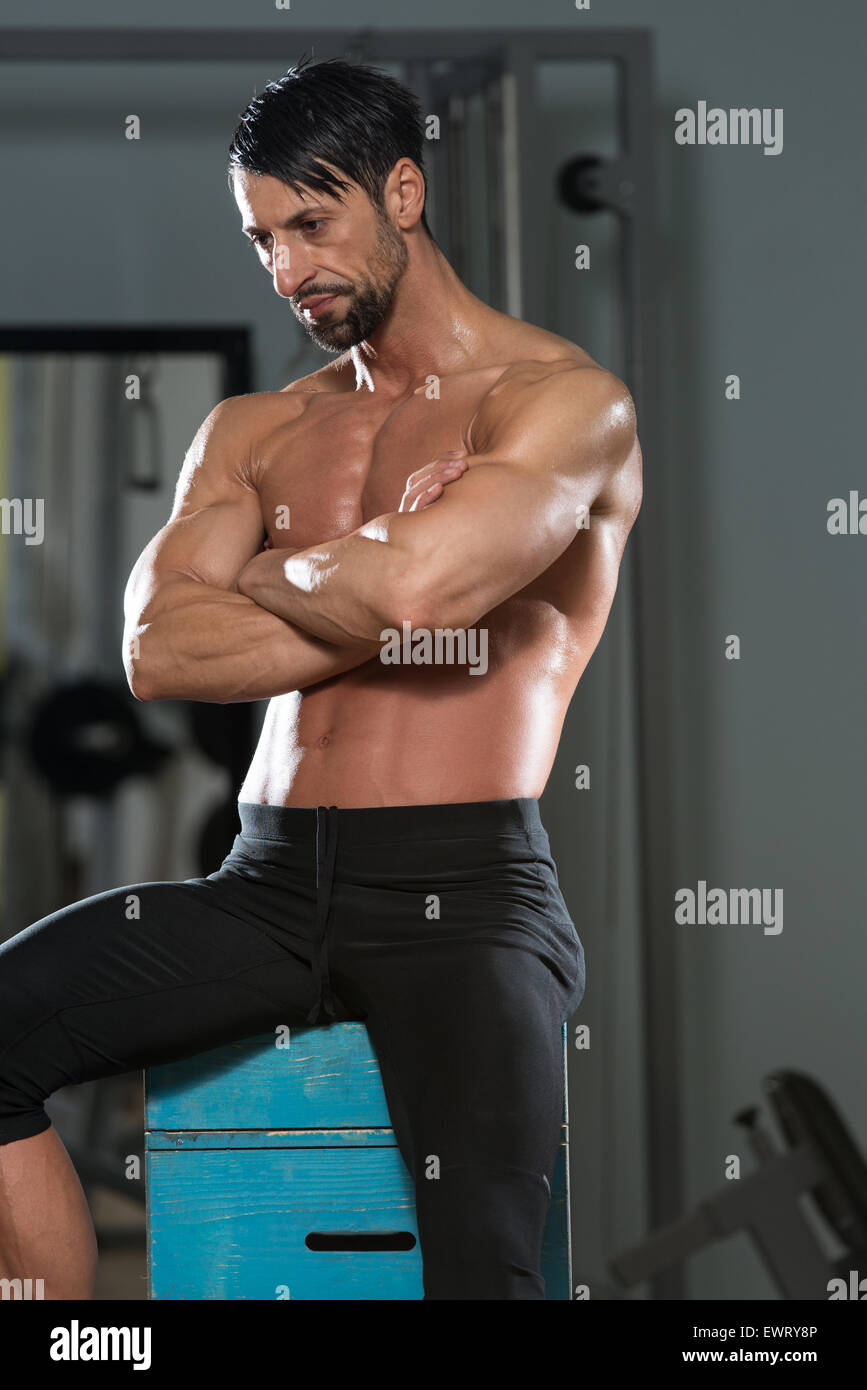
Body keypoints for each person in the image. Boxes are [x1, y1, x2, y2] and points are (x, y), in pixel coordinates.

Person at [0, 56, 642, 1300]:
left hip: (468, 892)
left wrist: (288, 576)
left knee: (484, 1272)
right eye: (262, 240)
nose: (291, 270)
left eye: (312, 223)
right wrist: (376, 572)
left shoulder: (564, 406)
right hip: (269, 882)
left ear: (403, 193)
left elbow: (420, 599)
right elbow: (156, 652)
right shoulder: (255, 428)